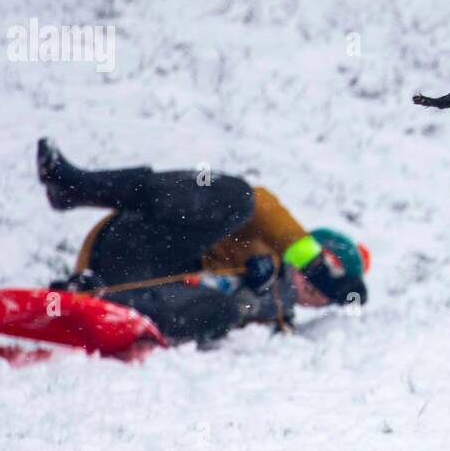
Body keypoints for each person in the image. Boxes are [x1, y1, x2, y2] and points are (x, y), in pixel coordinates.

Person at [36, 139, 368, 346]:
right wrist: (313, 263)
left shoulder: (278, 318)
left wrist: (250, 295)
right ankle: (77, 188)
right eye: (328, 272)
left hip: (135, 291)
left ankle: (90, 299)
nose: (320, 290)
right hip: (133, 240)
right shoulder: (270, 232)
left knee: (219, 312)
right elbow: (262, 201)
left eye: (328, 296)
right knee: (237, 196)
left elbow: (238, 326)